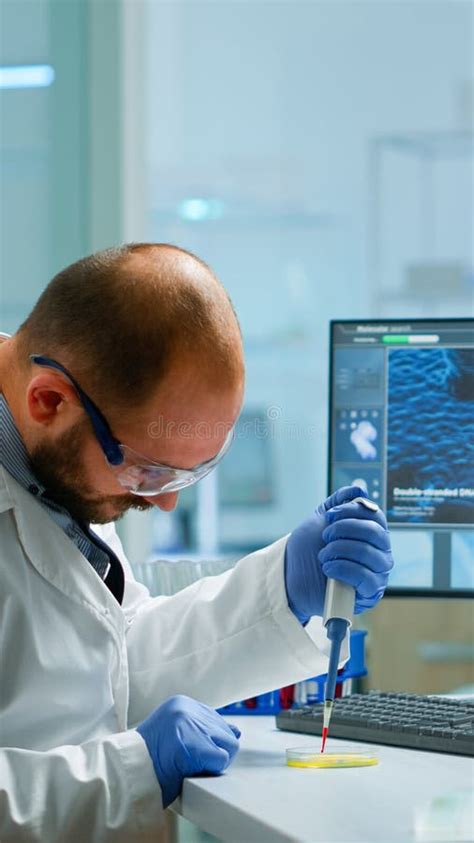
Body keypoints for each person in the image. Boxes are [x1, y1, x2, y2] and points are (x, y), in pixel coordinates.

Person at [0, 243, 393, 841]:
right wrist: (130, 771)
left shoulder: (55, 452)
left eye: (192, 473)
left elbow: (111, 663)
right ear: (49, 400)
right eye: (150, 471)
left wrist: (283, 587)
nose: (165, 502)